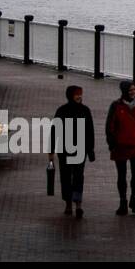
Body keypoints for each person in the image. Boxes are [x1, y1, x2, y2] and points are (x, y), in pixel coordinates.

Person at [105, 81, 135, 215]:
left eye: (134, 90)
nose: (133, 92)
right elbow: (110, 126)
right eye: (131, 90)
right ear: (124, 91)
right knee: (122, 175)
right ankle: (123, 201)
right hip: (120, 146)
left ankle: (134, 198)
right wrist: (111, 143)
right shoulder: (116, 106)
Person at [48, 85, 95, 218]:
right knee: (66, 176)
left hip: (81, 150)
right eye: (76, 94)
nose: (79, 96)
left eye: (80, 94)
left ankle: (78, 203)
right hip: (65, 150)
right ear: (70, 95)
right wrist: (51, 151)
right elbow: (54, 131)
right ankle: (68, 202)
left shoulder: (85, 110)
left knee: (79, 176)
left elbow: (90, 131)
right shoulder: (62, 111)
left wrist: (90, 149)